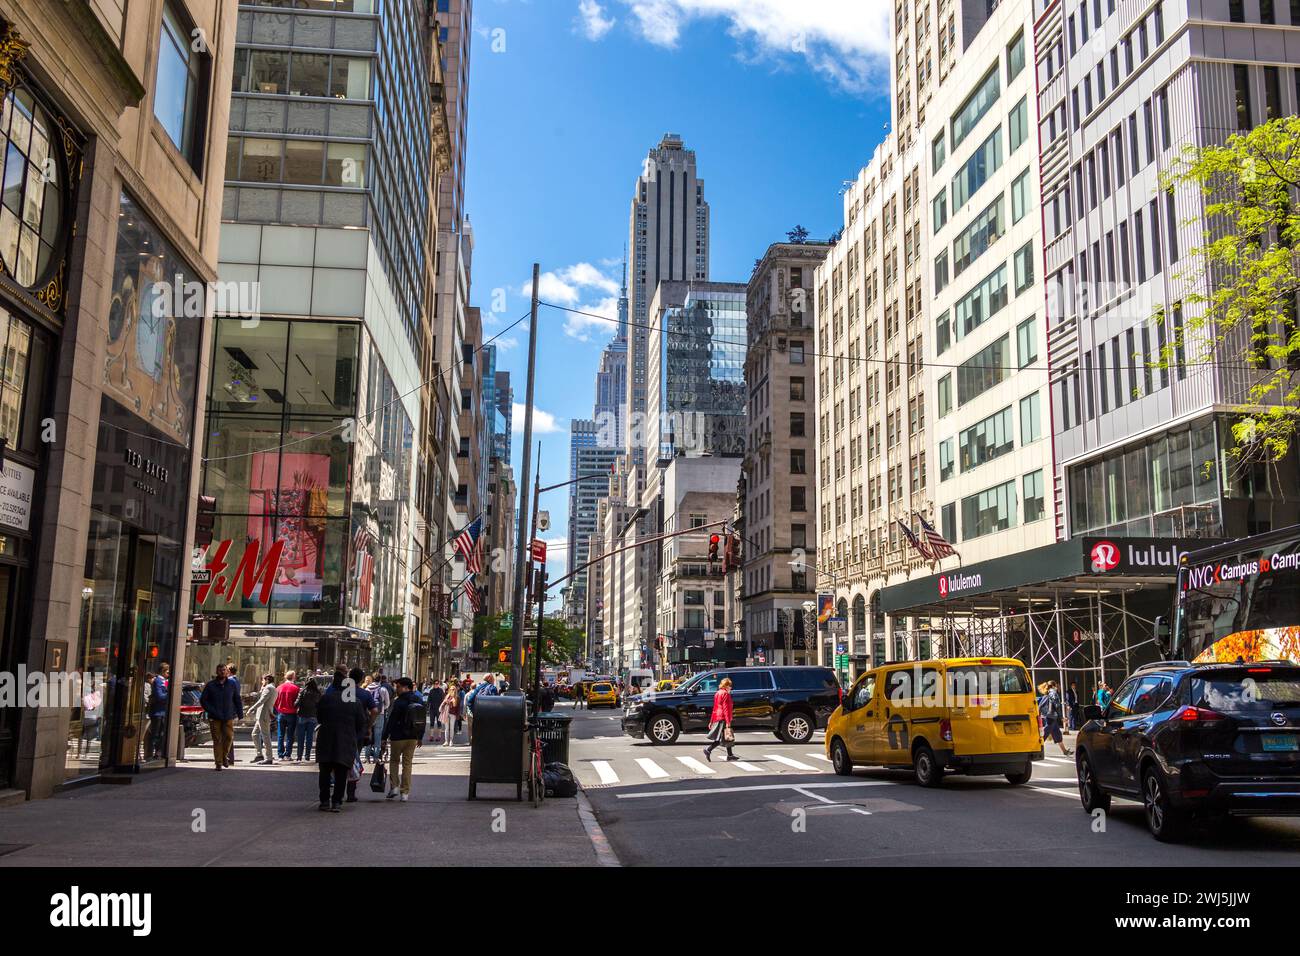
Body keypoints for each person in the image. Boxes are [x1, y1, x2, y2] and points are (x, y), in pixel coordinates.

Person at [315, 669, 368, 812]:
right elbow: (361, 724)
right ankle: (337, 801)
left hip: (326, 738)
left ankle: (324, 800)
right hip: (345, 740)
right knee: (341, 772)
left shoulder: (326, 699)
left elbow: (319, 717)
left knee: (325, 772)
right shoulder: (355, 702)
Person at [383, 677, 424, 801]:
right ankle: (405, 792)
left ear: (405, 687)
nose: (397, 689)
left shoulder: (399, 701)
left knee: (394, 761)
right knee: (407, 764)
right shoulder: (418, 699)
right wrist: (420, 736)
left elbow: (392, 720)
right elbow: (421, 720)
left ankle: (394, 786)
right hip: (412, 737)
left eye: (398, 686)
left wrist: (384, 736)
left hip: (398, 736)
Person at [200, 664, 243, 770]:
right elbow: (203, 700)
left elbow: (237, 698)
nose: (222, 672)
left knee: (229, 737)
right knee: (217, 739)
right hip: (215, 717)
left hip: (228, 715)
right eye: (220, 670)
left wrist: (239, 713)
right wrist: (211, 710)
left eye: (224, 670)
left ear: (227, 672)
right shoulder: (211, 685)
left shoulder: (232, 684)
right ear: (217, 672)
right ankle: (218, 762)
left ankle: (224, 756)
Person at [703, 677, 736, 762]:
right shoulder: (725, 694)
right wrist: (728, 722)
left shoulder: (717, 693)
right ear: (726, 686)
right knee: (722, 737)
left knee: (727, 737)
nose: (731, 687)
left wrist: (711, 721)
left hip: (718, 717)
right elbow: (726, 708)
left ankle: (730, 755)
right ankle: (708, 750)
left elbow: (714, 708)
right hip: (723, 718)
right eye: (730, 686)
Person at [248, 673, 277, 765]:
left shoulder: (269, 688)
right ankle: (259, 754)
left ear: (267, 680)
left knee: (265, 736)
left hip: (264, 715)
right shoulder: (271, 688)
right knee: (255, 734)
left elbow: (262, 700)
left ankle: (269, 758)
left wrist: (251, 708)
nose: (262, 681)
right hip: (261, 715)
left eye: (263, 680)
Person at [1040, 680, 1072, 756]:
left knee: (1057, 734)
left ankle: (1065, 751)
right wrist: (1061, 717)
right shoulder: (1053, 693)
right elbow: (1057, 706)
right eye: (1058, 685)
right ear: (1055, 686)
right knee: (1044, 734)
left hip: (1050, 716)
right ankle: (1036, 748)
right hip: (1051, 717)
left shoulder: (1047, 693)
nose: (1059, 687)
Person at [273, 671, 300, 761]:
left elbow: (275, 702)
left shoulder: (279, 688)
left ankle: (280, 754)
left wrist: (278, 709)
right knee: (290, 735)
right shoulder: (296, 688)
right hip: (292, 713)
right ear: (293, 677)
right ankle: (288, 754)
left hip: (281, 713)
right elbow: (297, 702)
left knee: (280, 735)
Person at [145, 663, 170, 760]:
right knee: (156, 733)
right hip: (158, 712)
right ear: (163, 671)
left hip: (162, 711)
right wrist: (170, 694)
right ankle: (151, 753)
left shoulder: (164, 681)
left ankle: (158, 752)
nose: (168, 674)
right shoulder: (158, 681)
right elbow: (160, 696)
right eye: (167, 672)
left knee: (161, 733)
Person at [365, 673, 392, 763]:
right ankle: (376, 757)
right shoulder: (383, 689)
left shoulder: (367, 689)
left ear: (372, 679)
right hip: (380, 714)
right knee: (378, 736)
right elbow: (387, 703)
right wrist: (383, 708)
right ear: (380, 679)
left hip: (369, 714)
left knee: (368, 734)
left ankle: (367, 757)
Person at [294, 676, 322, 762]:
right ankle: (307, 756)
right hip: (312, 716)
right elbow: (320, 705)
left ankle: (299, 756)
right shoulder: (317, 693)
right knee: (309, 738)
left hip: (302, 715)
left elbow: (296, 704)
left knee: (301, 737)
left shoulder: (302, 692)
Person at [465, 673, 498, 744]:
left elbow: (469, 701)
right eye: (493, 678)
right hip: (490, 716)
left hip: (479, 715)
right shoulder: (493, 688)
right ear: (489, 678)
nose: (494, 680)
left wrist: (475, 712)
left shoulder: (478, 687)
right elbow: (495, 704)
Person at [438, 681, 459, 746]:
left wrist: (453, 700)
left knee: (452, 728)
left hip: (453, 714)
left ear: (455, 690)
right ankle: (446, 741)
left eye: (454, 689)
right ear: (449, 690)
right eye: (451, 689)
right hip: (446, 713)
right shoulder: (447, 696)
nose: (452, 690)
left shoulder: (457, 697)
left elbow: (456, 706)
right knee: (446, 728)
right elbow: (443, 703)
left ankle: (451, 741)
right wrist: (446, 701)